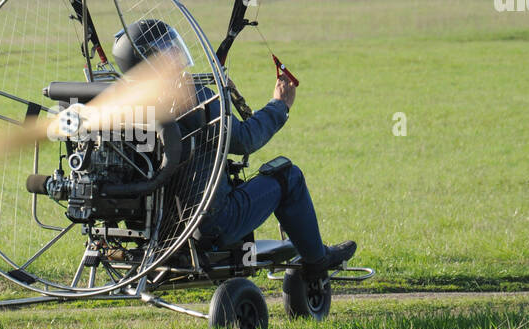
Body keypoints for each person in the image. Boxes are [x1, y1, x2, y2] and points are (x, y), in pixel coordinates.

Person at [112, 18, 356, 281]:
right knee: (289, 177)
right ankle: (317, 263)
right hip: (210, 222)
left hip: (157, 228)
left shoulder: (124, 108)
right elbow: (244, 140)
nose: (174, 55)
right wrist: (279, 105)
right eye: (165, 49)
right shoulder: (195, 99)